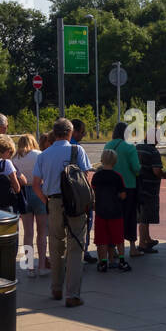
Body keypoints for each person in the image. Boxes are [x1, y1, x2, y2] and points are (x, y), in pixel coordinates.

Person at [33, 118, 91, 307]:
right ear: (70, 132)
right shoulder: (77, 150)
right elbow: (84, 177)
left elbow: (35, 184)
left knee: (56, 246)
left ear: (54, 132)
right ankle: (72, 294)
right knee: (76, 247)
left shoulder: (43, 155)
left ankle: (56, 288)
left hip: (54, 202)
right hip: (75, 203)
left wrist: (47, 201)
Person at [103, 121, 142, 257]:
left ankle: (112, 248)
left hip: (110, 188)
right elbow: (136, 169)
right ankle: (132, 247)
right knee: (130, 216)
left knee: (113, 217)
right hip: (128, 187)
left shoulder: (108, 145)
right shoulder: (130, 147)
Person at [13, 133, 50, 275]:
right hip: (38, 190)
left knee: (27, 232)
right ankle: (41, 265)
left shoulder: (15, 157)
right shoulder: (39, 154)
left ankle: (29, 266)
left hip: (22, 193)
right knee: (41, 232)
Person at [91, 148, 130, 272]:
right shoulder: (117, 177)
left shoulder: (96, 176)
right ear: (115, 162)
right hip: (116, 211)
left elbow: (92, 191)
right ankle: (122, 260)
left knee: (101, 239)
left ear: (102, 160)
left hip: (101, 211)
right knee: (118, 237)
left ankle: (103, 262)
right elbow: (123, 195)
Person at [71, 118, 96, 264]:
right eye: (82, 132)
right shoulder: (77, 149)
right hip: (78, 192)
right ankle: (83, 250)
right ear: (73, 131)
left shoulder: (51, 147)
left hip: (58, 193)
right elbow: (86, 172)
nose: (83, 135)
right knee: (85, 221)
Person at [134, 139, 164, 253]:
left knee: (142, 214)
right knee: (145, 217)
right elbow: (156, 171)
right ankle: (143, 244)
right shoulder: (153, 151)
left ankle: (148, 239)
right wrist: (164, 174)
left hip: (138, 186)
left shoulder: (138, 147)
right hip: (149, 189)